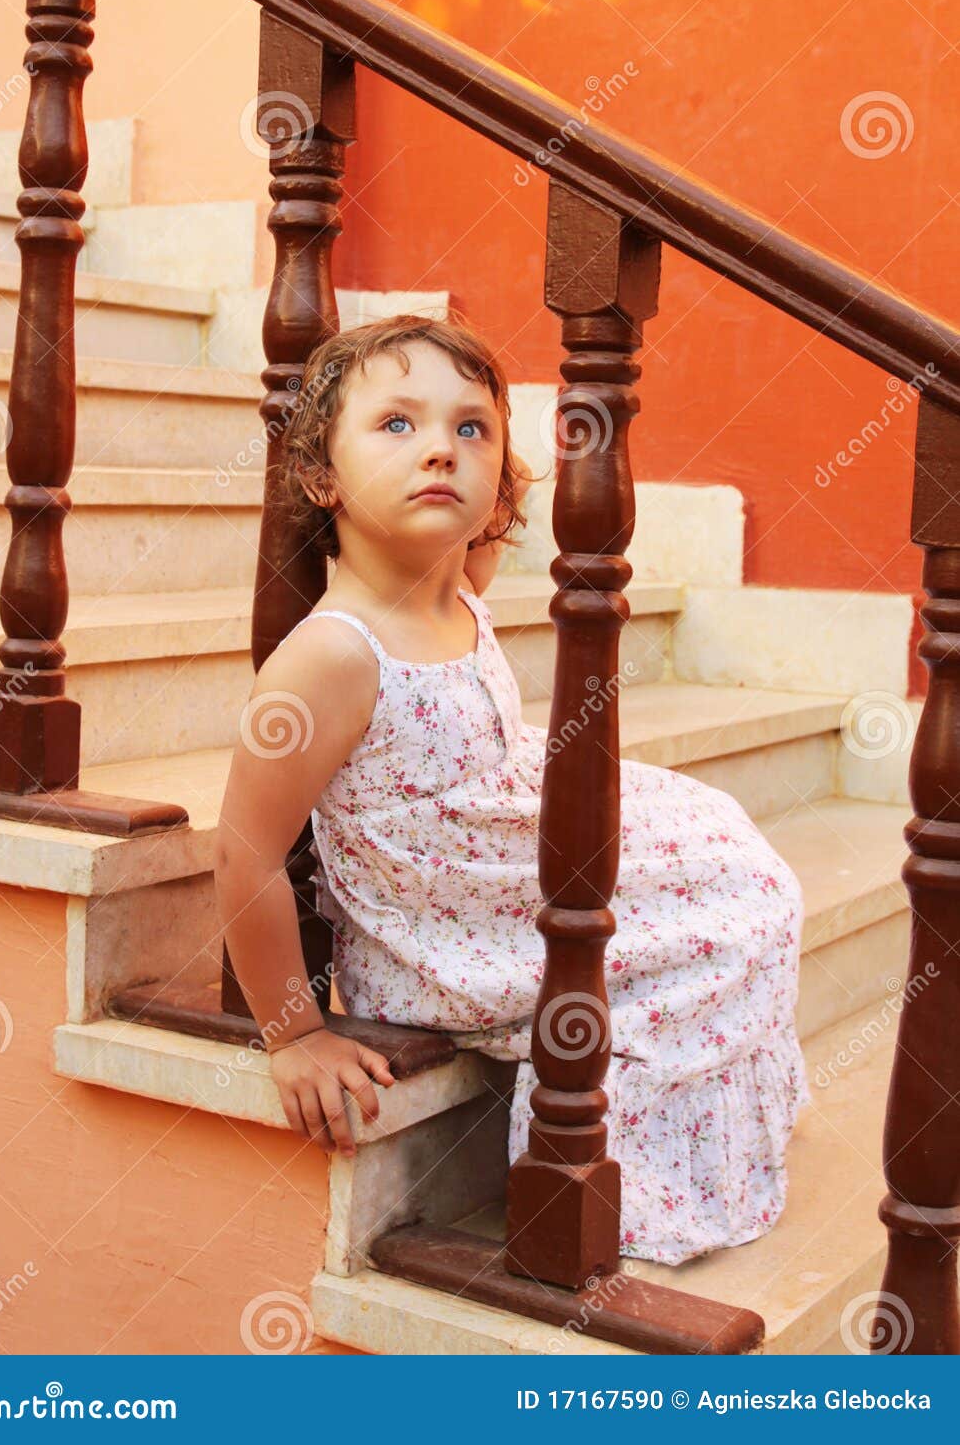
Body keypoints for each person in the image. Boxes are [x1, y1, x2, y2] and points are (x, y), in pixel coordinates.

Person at [215, 314, 811, 1266]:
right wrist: (292, 1033)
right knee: (742, 907)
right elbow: (243, 852)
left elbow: (486, 506)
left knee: (725, 836)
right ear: (322, 477)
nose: (440, 453)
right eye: (397, 426)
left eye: (470, 430)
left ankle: (706, 1131)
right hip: (445, 919)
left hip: (498, 829)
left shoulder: (461, 575)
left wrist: (499, 483)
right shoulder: (328, 658)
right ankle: (628, 1172)